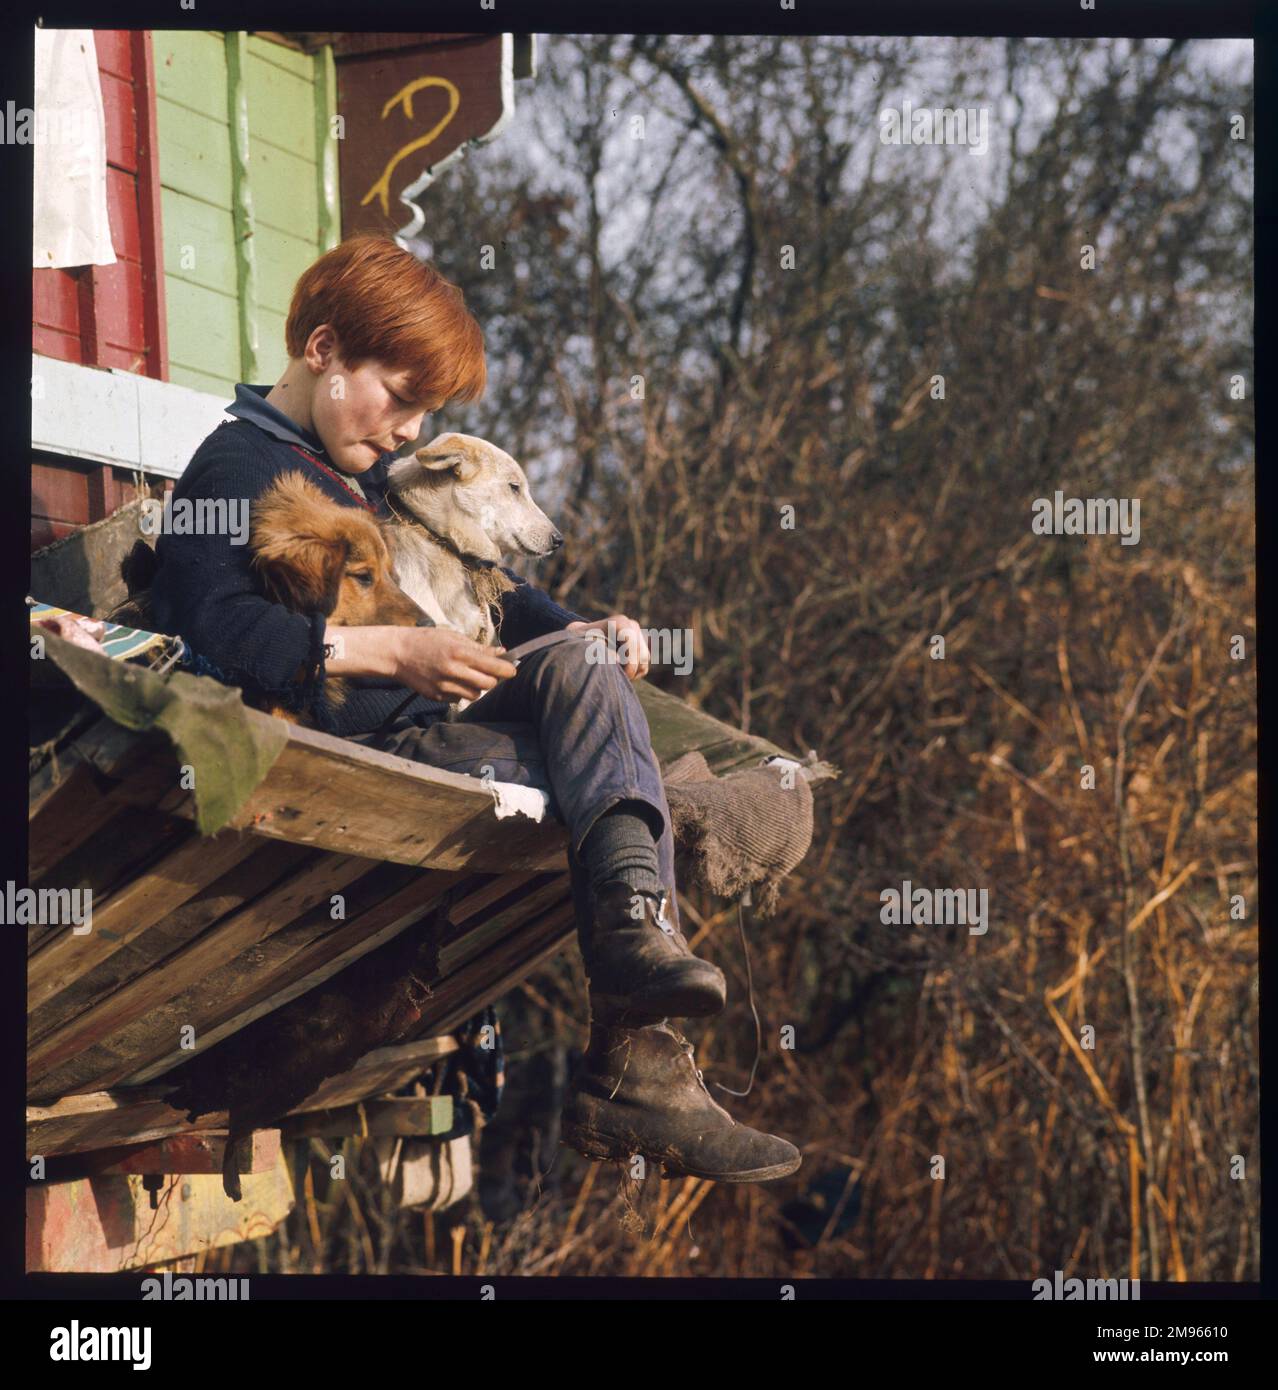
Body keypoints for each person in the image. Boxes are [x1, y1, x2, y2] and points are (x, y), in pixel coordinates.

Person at [149, 233, 800, 1184]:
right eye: (401, 397)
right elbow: (203, 630)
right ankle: (638, 1072)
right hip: (354, 754)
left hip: (438, 727)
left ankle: (633, 940)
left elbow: (494, 589)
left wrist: (586, 625)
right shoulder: (236, 467)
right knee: (616, 783)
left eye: (425, 411)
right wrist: (389, 650)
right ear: (323, 351)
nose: (412, 429)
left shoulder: (362, 477)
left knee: (583, 668)